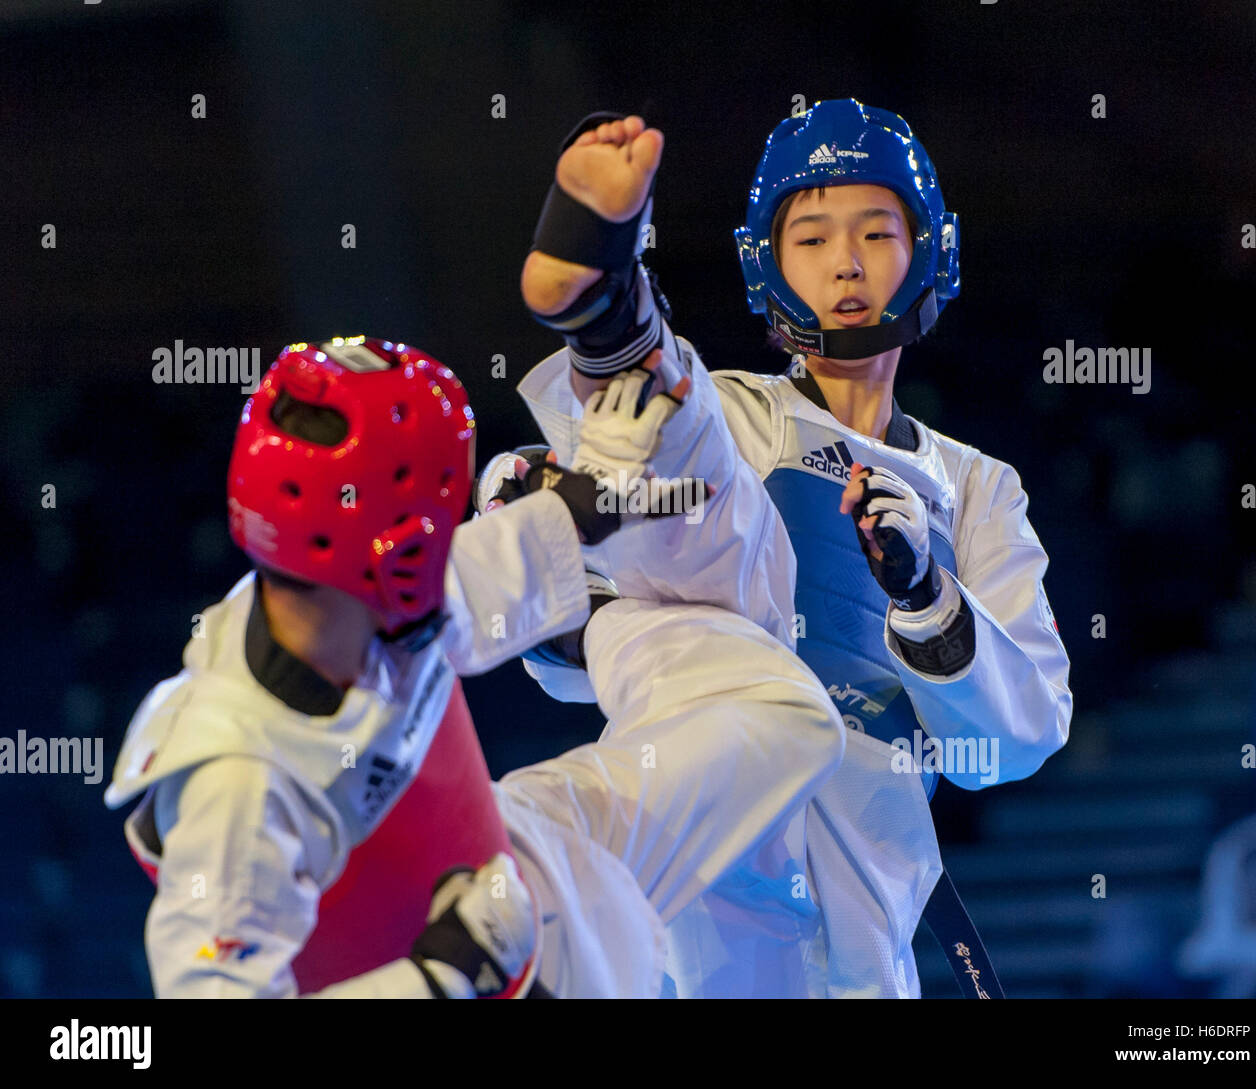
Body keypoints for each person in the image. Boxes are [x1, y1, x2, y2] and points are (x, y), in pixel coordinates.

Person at [515, 100, 1073, 997]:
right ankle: (612, 319)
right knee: (684, 453)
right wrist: (574, 586)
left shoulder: (974, 487)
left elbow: (1019, 737)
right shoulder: (740, 413)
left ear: (929, 247)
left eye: (875, 233)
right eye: (811, 239)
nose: (846, 263)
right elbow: (572, 648)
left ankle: (614, 329)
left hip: (867, 865)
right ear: (766, 263)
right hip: (707, 806)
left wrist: (925, 594)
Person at [106, 336, 842, 997]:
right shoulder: (236, 786)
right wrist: (441, 973)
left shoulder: (331, 594)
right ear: (393, 549)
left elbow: (449, 592)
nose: (453, 525)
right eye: (440, 512)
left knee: (785, 715)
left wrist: (584, 504)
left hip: (519, 853)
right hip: (480, 967)